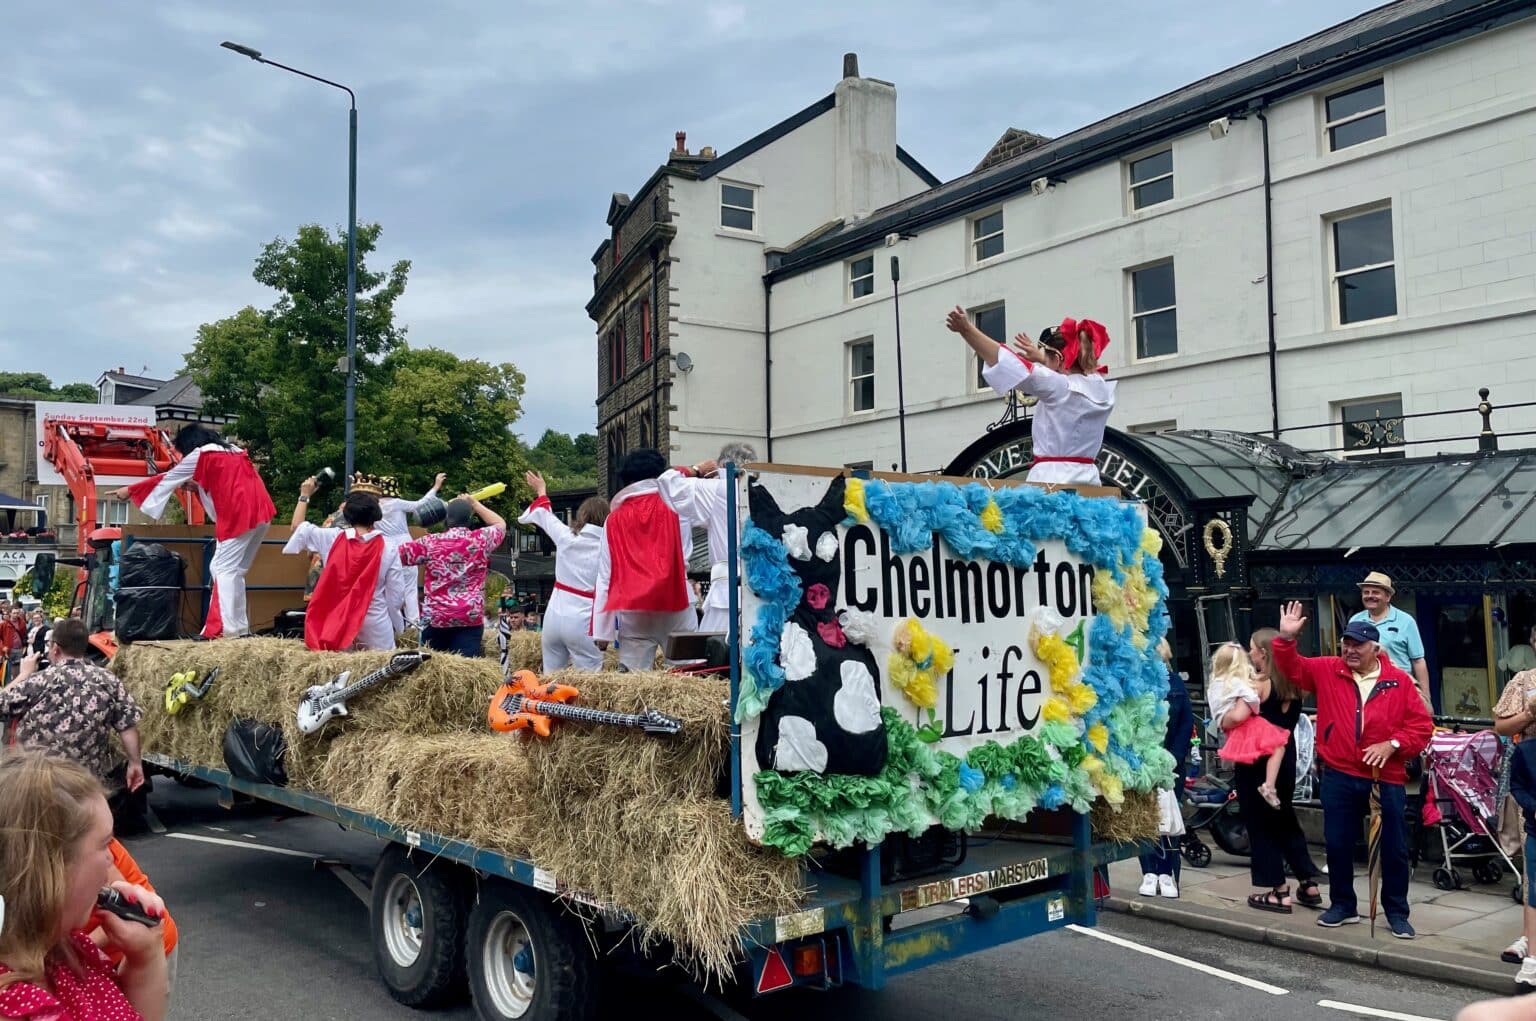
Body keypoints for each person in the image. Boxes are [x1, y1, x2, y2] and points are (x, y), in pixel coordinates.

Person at [1272, 603, 1434, 938]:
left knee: (1393, 849)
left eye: (1358, 645)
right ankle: (1343, 905)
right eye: (1346, 643)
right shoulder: (1329, 668)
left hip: (1384, 778)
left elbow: (1420, 728)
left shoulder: (1399, 681)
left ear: (1375, 648)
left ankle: (1397, 912)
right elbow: (1292, 669)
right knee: (1338, 843)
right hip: (1339, 773)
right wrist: (1286, 639)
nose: (1349, 650)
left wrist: (1392, 745)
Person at [0, 750, 169, 1021]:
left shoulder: (70, 950)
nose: (111, 858)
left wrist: (145, 957)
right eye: (104, 844)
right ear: (51, 869)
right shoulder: (13, 1003)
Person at [115, 423, 276, 638]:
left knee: (222, 569)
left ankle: (228, 630)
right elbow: (227, 483)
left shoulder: (201, 454)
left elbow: (169, 478)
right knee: (235, 571)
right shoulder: (234, 451)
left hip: (238, 516)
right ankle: (238, 627)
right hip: (261, 513)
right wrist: (197, 486)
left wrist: (130, 490)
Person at [946, 308, 1115, 485]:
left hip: (1052, 480)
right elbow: (1078, 372)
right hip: (1090, 481)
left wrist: (967, 329)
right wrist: (1044, 358)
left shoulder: (1059, 388)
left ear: (1058, 360)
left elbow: (1004, 360)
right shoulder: (1102, 389)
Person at [0, 619, 145, 792]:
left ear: (55, 648)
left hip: (39, 783)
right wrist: (135, 763)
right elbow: (127, 726)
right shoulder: (108, 680)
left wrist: (23, 674)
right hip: (85, 784)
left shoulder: (39, 680)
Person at [1239, 627, 1324, 914]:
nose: (1250, 652)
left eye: (1252, 647)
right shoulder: (1295, 683)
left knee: (1260, 824)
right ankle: (1307, 882)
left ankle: (1278, 890)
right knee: (1285, 819)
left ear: (1263, 652)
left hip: (1257, 759)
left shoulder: (1259, 684)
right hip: (1285, 758)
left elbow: (1234, 717)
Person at [593, 449, 697, 671]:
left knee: (634, 681)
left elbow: (605, 576)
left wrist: (603, 630)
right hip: (677, 599)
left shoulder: (613, 519)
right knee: (686, 676)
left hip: (634, 607)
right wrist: (693, 471)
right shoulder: (678, 504)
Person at [283, 478, 401, 652]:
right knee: (380, 669)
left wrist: (304, 495)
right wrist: (398, 624)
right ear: (376, 514)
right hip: (374, 620)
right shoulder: (389, 548)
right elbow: (395, 596)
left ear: (347, 513)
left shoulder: (331, 538)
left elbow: (297, 527)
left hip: (337, 620)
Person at [657, 441, 758, 633]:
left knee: (714, 657)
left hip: (727, 594)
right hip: (763, 590)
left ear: (722, 467)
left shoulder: (718, 489)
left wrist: (697, 469)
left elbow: (667, 482)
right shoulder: (766, 491)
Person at [396, 493, 506, 658]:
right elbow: (500, 523)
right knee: (465, 669)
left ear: (446, 519)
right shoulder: (481, 540)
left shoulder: (430, 542)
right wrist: (474, 503)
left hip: (436, 617)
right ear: (469, 519)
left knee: (431, 669)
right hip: (470, 616)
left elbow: (396, 556)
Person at [517, 471, 608, 671]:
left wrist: (541, 491)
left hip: (554, 615)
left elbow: (545, 516)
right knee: (589, 682)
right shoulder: (610, 547)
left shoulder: (566, 536)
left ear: (582, 516)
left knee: (551, 678)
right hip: (584, 618)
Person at [1138, 638, 1193, 899]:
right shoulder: (1170, 684)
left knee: (1161, 818)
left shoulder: (1166, 684)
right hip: (1159, 762)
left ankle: (1160, 872)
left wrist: (1172, 758)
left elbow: (1185, 723)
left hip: (1162, 762)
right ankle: (1157, 872)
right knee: (1156, 818)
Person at [1208, 642, 1290, 809]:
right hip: (1250, 724)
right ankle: (1269, 785)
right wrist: (1256, 708)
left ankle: (1267, 786)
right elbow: (1251, 699)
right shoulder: (1237, 682)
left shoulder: (1215, 683)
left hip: (1229, 727)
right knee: (1279, 746)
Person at [374, 472, 446, 632]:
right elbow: (420, 504)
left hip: (384, 549)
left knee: (387, 589)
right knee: (410, 589)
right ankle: (413, 627)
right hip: (404, 547)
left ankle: (394, 627)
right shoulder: (397, 503)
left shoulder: (374, 507)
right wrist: (435, 487)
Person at [1350, 572, 1432, 708]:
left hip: (1399, 689)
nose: (1370, 596)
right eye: (1366, 592)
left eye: (1375, 592)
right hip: (1365, 691)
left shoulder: (1406, 621)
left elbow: (1418, 660)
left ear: (1388, 596)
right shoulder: (1355, 620)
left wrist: (1426, 698)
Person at [1508, 734, 1536, 989]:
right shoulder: (1525, 751)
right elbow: (1516, 786)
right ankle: (1532, 962)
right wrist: (1532, 806)